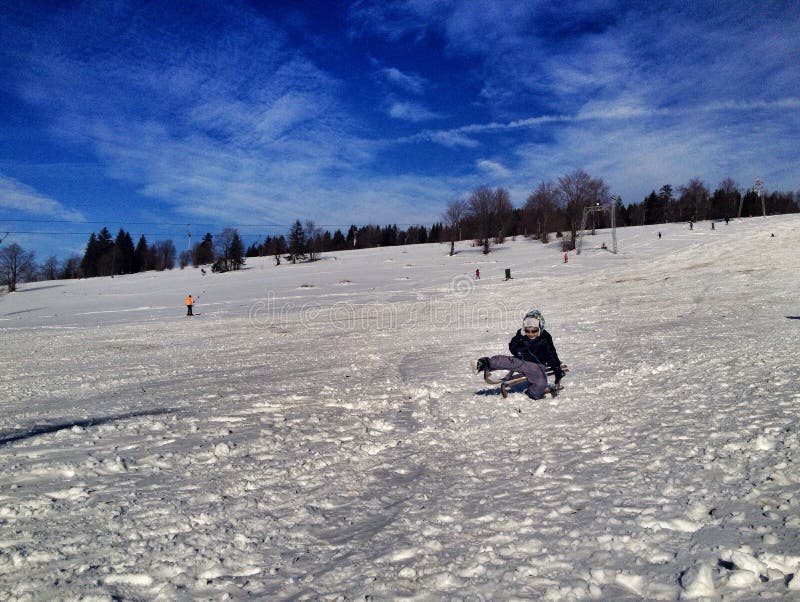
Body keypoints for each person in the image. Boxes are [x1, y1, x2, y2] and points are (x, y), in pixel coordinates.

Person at [474, 310, 564, 399]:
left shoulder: (545, 338)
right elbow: (512, 345)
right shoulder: (521, 335)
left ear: (540, 328)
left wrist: (557, 370)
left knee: (541, 382)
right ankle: (484, 363)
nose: (530, 334)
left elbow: (552, 355)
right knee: (506, 361)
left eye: (534, 331)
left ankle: (532, 393)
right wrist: (518, 350)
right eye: (527, 331)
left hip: (536, 366)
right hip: (521, 359)